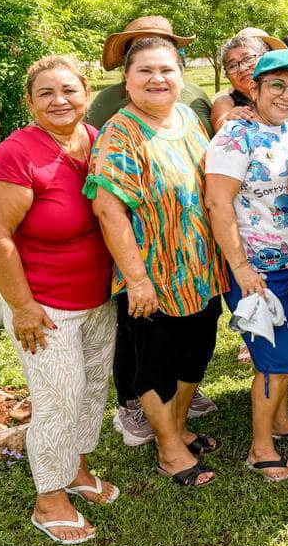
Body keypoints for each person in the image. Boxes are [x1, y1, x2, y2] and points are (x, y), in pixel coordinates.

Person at [0, 56, 117, 544]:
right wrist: (22, 306)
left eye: (69, 90)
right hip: (47, 305)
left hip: (98, 299)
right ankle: (48, 498)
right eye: (46, 93)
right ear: (29, 102)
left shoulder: (94, 139)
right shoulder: (17, 153)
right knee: (58, 398)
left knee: (92, 388)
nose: (60, 101)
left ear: (86, 91)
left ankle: (74, 469)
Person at [85, 37, 228, 488]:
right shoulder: (120, 132)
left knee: (197, 355)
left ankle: (180, 428)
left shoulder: (187, 118)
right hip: (152, 275)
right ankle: (168, 449)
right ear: (126, 80)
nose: (157, 79)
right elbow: (109, 209)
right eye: (145, 70)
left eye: (166, 70)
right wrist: (137, 279)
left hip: (202, 270)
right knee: (156, 365)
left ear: (181, 77)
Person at [205, 49, 288, 483]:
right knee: (273, 361)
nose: (287, 95)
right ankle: (261, 448)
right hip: (258, 271)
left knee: (286, 352)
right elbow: (218, 203)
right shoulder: (235, 137)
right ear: (252, 89)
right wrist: (240, 269)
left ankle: (281, 419)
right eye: (276, 85)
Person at [86, 16, 212, 135]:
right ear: (127, 61)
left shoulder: (196, 95)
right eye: (140, 47)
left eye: (160, 44)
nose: (151, 51)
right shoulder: (108, 100)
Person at [210, 28, 285, 132]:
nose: (242, 68)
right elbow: (221, 125)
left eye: (248, 58)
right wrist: (229, 119)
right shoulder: (225, 101)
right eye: (232, 66)